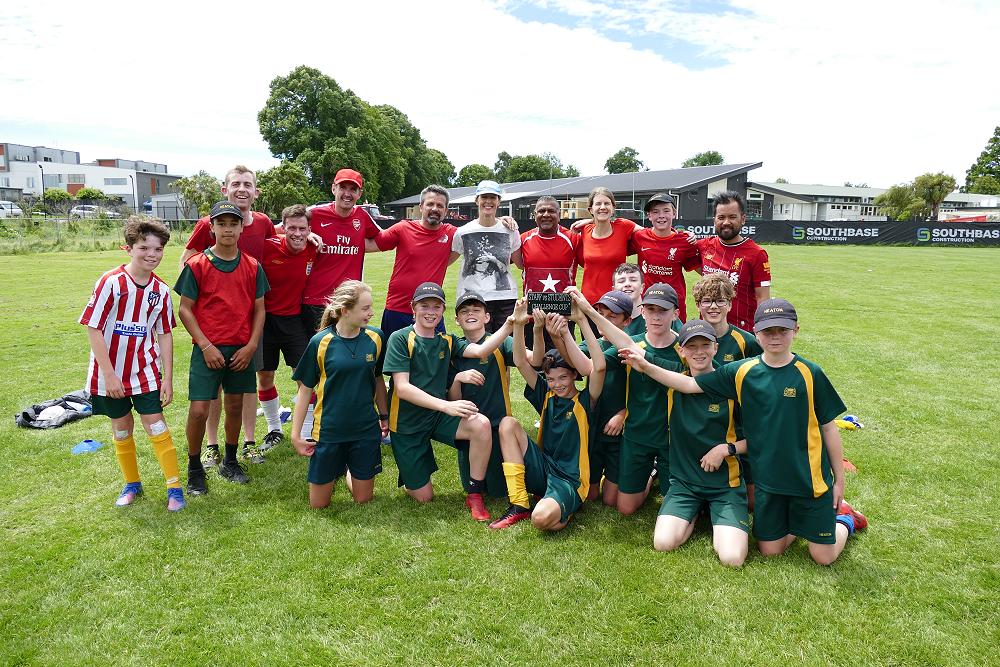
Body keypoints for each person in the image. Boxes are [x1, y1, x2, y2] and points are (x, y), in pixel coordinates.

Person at [618, 298, 868, 566]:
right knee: (769, 551)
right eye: (768, 331)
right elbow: (689, 384)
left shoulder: (809, 372)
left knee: (821, 558)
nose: (775, 337)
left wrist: (839, 481)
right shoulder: (740, 371)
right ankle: (786, 521)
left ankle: (844, 519)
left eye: (782, 330)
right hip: (760, 481)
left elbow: (828, 427)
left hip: (805, 479)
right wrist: (644, 366)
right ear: (757, 333)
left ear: (795, 330)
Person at [382, 282, 514, 521]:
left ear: (443, 310)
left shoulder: (448, 340)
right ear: (413, 308)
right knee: (423, 497)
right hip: (407, 424)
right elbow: (402, 388)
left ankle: (474, 493)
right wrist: (446, 405)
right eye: (424, 306)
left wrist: (510, 324)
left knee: (480, 424)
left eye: (436, 306)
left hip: (437, 417)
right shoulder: (400, 338)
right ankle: (373, 473)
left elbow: (480, 351)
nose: (430, 311)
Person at [80, 216, 184, 511]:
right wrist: (110, 375)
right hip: (109, 374)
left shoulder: (161, 291)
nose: (152, 254)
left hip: (145, 371)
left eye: (158, 249)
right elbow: (93, 328)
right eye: (144, 248)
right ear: (128, 249)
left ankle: (175, 488)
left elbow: (165, 334)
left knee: (156, 425)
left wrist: (167, 378)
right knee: (122, 427)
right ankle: (132, 483)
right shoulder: (111, 282)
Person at [179, 165, 276, 468]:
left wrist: (251, 346)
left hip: (242, 342)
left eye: (233, 224)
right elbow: (185, 306)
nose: (228, 229)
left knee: (237, 402)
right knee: (202, 406)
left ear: (241, 227)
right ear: (212, 227)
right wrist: (205, 344)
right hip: (209, 344)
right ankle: (200, 460)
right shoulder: (199, 262)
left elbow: (260, 307)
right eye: (221, 224)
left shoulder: (253, 258)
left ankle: (236, 455)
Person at [489, 293, 606, 531]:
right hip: (543, 467)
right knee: (508, 424)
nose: (557, 384)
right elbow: (521, 362)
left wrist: (581, 320)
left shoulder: (586, 401)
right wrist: (520, 324)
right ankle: (519, 504)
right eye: (551, 379)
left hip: (568, 479)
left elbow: (599, 367)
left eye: (563, 377)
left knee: (541, 520)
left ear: (575, 375)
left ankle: (563, 505)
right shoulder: (547, 394)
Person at [572, 283, 683, 516]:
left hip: (673, 438)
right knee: (624, 508)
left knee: (673, 507)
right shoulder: (633, 344)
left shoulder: (685, 346)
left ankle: (655, 471)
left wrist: (588, 311)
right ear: (642, 312)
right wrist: (571, 326)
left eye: (663, 310)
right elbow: (591, 367)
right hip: (638, 435)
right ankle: (650, 474)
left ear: (676, 314)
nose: (656, 316)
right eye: (650, 309)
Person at [652, 320, 750, 567]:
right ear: (681, 351)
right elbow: (634, 348)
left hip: (725, 486)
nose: (699, 352)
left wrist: (726, 449)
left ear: (715, 348)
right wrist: (585, 314)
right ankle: (694, 511)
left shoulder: (732, 385)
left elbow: (760, 439)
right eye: (691, 346)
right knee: (663, 543)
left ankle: (713, 511)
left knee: (732, 558)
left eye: (705, 345)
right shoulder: (673, 381)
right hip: (685, 483)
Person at [290, 281, 388, 507]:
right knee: (318, 505)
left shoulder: (376, 338)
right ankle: (339, 466)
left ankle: (349, 469)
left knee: (363, 500)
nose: (371, 313)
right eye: (365, 308)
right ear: (345, 311)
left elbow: (378, 379)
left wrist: (384, 416)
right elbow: (305, 390)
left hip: (365, 430)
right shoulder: (320, 342)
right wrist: (296, 435)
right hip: (329, 431)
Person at [448, 292, 537, 499]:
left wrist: (536, 329)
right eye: (464, 311)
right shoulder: (453, 348)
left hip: (498, 429)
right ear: (457, 319)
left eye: (476, 310)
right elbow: (453, 401)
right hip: (469, 429)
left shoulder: (501, 342)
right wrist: (458, 378)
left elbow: (534, 359)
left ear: (487, 317)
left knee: (499, 491)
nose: (470, 314)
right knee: (473, 486)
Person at [691, 272, 763, 508]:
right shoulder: (690, 338)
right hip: (701, 422)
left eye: (720, 300)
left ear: (730, 304)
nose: (713, 307)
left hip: (739, 423)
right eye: (707, 301)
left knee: (752, 502)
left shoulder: (746, 342)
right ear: (698, 305)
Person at [256, 204, 318, 452]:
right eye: (292, 228)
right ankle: (274, 429)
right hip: (265, 321)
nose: (297, 233)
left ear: (309, 229)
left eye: (302, 228)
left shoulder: (314, 248)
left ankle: (307, 431)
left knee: (305, 378)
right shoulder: (267, 247)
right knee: (265, 376)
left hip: (294, 321)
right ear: (283, 228)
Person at [366, 184, 456, 340]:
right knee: (392, 354)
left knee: (436, 354)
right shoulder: (403, 228)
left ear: (446, 210)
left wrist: (500, 220)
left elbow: (479, 229)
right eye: (430, 204)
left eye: (440, 205)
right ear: (421, 207)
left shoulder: (453, 233)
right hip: (397, 309)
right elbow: (369, 245)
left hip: (431, 311)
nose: (435, 208)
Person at [302, 168, 381, 330]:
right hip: (316, 300)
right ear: (333, 189)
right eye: (342, 187)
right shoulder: (313, 213)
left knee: (348, 343)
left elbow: (382, 238)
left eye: (353, 189)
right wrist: (306, 233)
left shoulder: (362, 216)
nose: (347, 194)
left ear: (359, 194)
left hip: (349, 301)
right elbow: (279, 230)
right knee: (317, 344)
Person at [578, 290, 631, 506]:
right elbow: (573, 360)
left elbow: (643, 391)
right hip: (595, 424)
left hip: (619, 429)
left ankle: (650, 473)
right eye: (601, 314)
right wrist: (558, 333)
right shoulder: (593, 344)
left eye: (612, 316)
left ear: (627, 321)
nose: (604, 320)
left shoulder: (629, 347)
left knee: (610, 500)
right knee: (590, 495)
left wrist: (624, 413)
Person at [450, 180, 521, 333]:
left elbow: (521, 263)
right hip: (474, 298)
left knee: (506, 343)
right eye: (484, 197)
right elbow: (446, 260)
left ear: (498, 201)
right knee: (479, 342)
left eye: (493, 197)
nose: (488, 201)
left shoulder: (510, 230)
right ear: (477, 200)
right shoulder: (463, 232)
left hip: (505, 298)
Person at [698, 191, 771, 330]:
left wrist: (762, 330)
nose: (726, 222)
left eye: (732, 217)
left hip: (742, 332)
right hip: (708, 331)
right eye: (721, 217)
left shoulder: (757, 254)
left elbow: (763, 298)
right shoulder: (704, 246)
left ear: (743, 219)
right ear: (714, 220)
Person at [513, 195, 579, 349]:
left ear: (559, 215)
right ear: (534, 215)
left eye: (551, 211)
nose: (546, 214)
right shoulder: (524, 239)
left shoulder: (573, 239)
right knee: (534, 359)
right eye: (541, 211)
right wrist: (504, 221)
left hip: (563, 316)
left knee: (564, 360)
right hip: (532, 315)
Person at [629, 193, 701, 322]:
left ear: (674, 213)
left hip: (674, 303)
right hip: (648, 302)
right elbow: (615, 230)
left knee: (675, 335)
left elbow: (699, 268)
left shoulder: (685, 241)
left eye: (666, 211)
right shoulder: (639, 237)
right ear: (649, 215)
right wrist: (592, 221)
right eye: (655, 212)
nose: (661, 215)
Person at [575, 188, 637, 306]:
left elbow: (649, 234)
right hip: (589, 303)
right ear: (591, 209)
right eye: (598, 204)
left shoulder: (623, 226)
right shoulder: (584, 230)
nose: (603, 207)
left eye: (607, 203)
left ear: (613, 208)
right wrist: (591, 221)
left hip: (616, 303)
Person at [612, 263, 646, 336]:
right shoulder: (607, 319)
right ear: (613, 290)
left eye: (633, 280)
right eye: (621, 281)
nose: (627, 284)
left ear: (642, 288)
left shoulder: (655, 318)